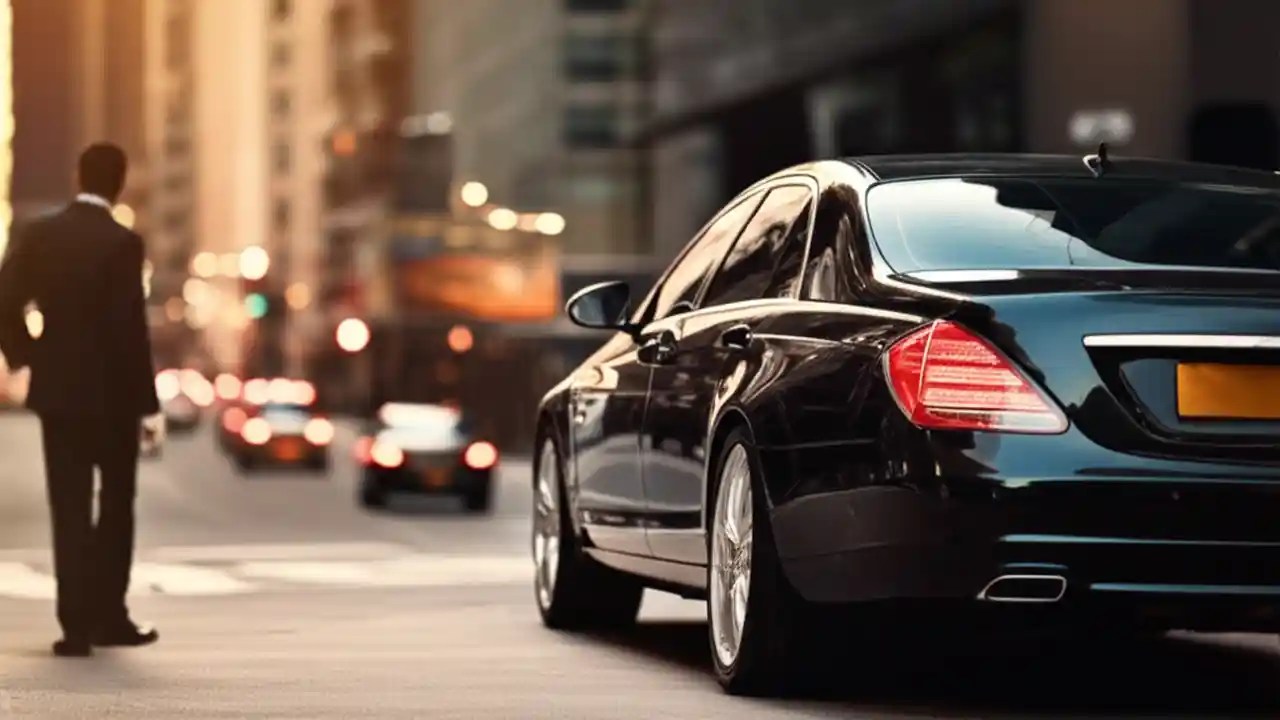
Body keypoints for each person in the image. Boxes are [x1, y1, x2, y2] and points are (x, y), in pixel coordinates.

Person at [0, 143, 161, 657]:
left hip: (60, 393)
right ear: (120, 182)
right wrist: (148, 404)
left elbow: (4, 299)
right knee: (116, 505)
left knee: (67, 507)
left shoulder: (40, 234)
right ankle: (109, 616)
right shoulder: (124, 242)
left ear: (78, 176)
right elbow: (132, 330)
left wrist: (27, 355)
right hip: (115, 397)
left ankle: (73, 627)